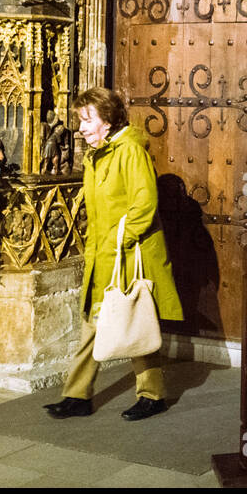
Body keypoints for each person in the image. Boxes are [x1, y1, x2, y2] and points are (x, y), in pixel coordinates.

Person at [43, 88, 185, 420]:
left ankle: (152, 395)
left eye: (86, 120)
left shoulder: (130, 151)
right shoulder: (98, 153)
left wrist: (118, 241)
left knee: (135, 321)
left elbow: (144, 204)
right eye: (80, 120)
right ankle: (78, 395)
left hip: (128, 256)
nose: (80, 128)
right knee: (93, 323)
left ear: (107, 121)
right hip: (103, 254)